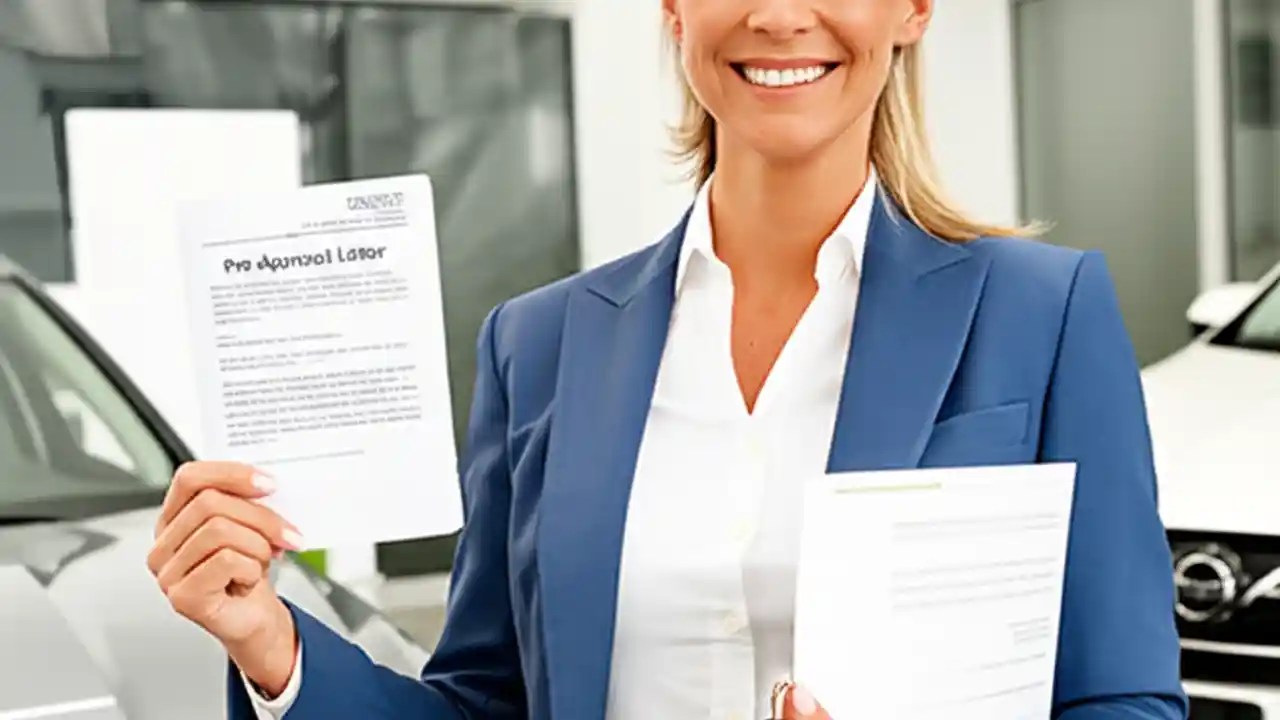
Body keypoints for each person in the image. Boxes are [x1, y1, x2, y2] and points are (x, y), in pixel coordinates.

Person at [146, 1, 1188, 718]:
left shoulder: (1041, 316)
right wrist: (272, 645)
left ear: (910, 8)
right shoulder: (539, 344)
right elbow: (483, 702)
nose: (779, 15)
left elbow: (1124, 697)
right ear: (671, 7)